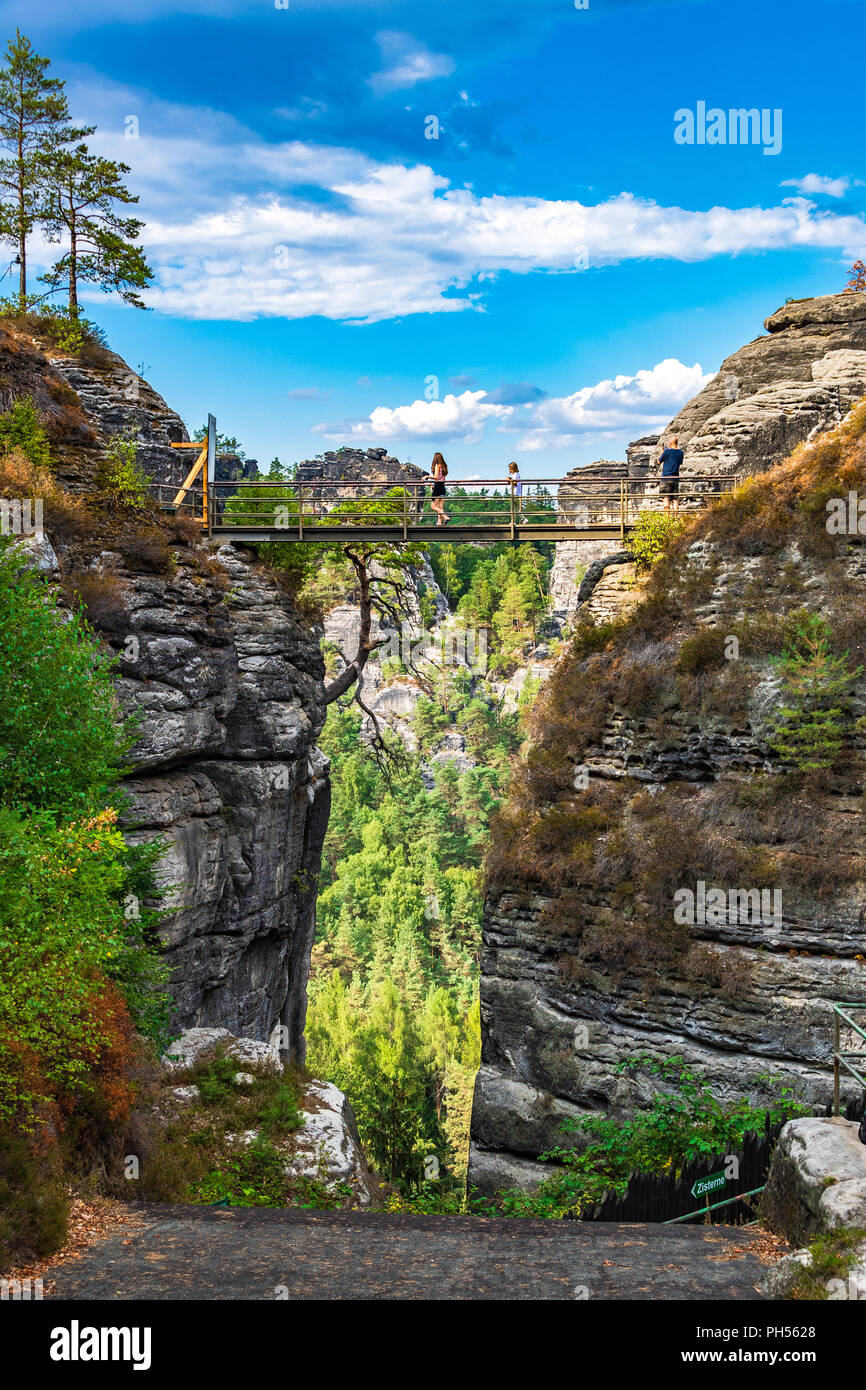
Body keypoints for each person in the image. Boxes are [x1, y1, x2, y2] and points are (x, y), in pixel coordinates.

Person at [658, 435, 684, 514]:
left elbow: (659, 462)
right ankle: (675, 519)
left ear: (670, 443)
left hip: (666, 478)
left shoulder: (667, 452)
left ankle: (667, 518)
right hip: (675, 478)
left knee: (665, 498)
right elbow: (680, 463)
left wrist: (662, 453)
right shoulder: (681, 453)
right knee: (675, 499)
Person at [429, 451, 450, 526]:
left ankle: (445, 517)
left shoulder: (437, 465)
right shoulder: (444, 467)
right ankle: (439, 523)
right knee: (440, 507)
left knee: (433, 506)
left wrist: (426, 477)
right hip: (442, 487)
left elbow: (436, 477)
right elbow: (441, 479)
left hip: (438, 487)